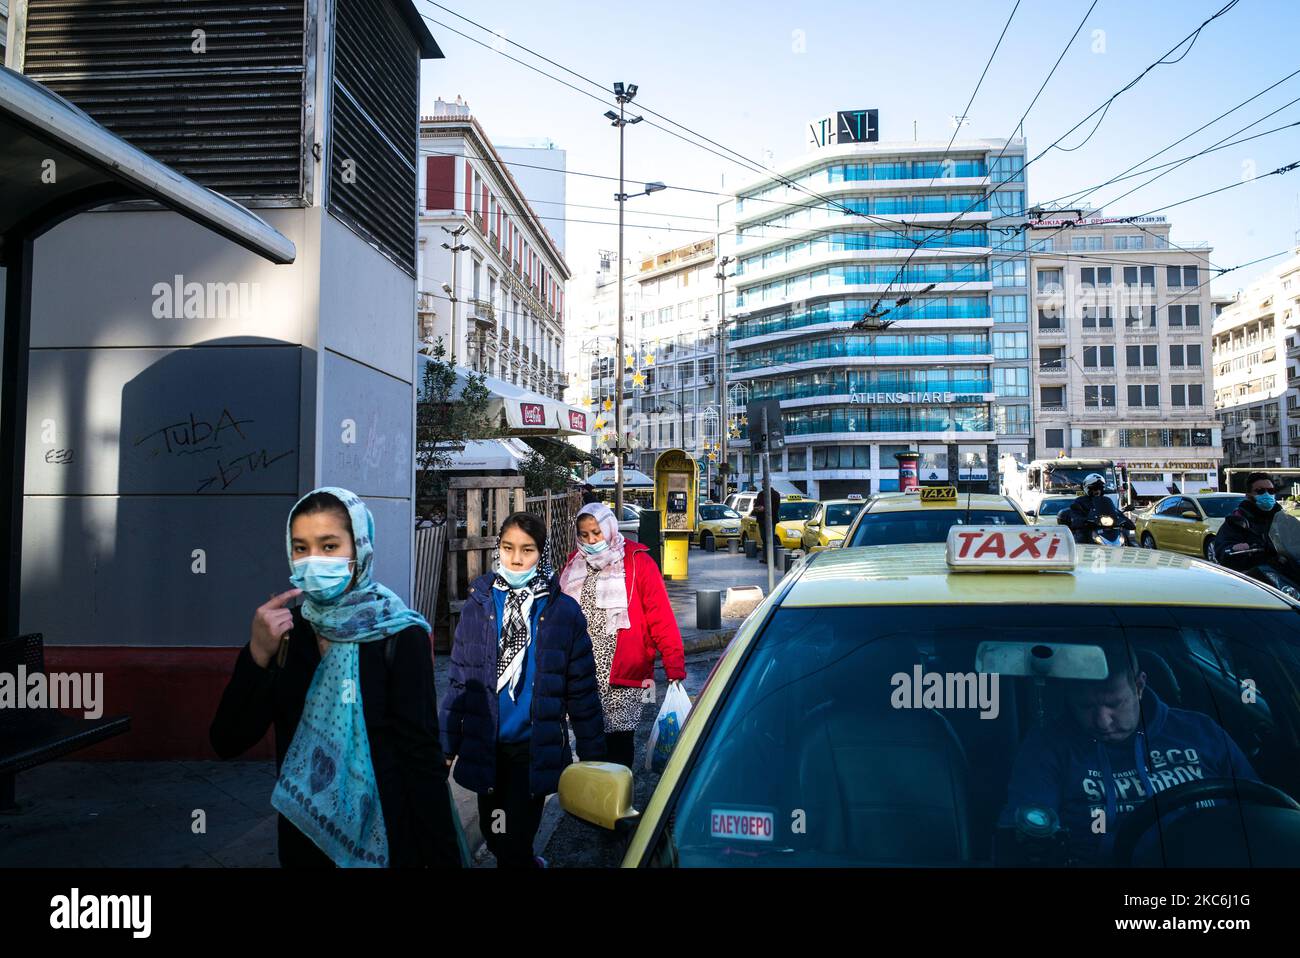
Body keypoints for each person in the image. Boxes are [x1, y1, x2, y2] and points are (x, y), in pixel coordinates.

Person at [210, 487, 463, 868]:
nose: (313, 560)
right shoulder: (286, 635)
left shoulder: (398, 634)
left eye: (329, 547)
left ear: (359, 549)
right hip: (305, 841)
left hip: (390, 840)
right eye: (301, 548)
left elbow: (420, 759)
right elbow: (228, 740)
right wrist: (257, 654)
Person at [441, 512, 605, 867]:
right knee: (496, 830)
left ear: (541, 554)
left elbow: (581, 690)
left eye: (527, 550)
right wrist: (446, 745)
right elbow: (459, 680)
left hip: (531, 748)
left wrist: (592, 754)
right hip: (487, 745)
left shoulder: (563, 612)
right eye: (508, 548)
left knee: (515, 837)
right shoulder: (480, 606)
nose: (516, 558)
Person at [1000, 644, 1258, 865]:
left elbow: (1259, 809)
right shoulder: (1048, 747)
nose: (1102, 721)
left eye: (1114, 704)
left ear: (1139, 686)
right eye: (1086, 706)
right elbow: (1027, 833)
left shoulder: (1201, 732)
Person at [558, 503, 687, 769]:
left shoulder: (637, 561)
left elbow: (659, 615)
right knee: (588, 746)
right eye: (584, 535)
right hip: (581, 674)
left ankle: (616, 805)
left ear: (609, 528)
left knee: (618, 748)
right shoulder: (573, 564)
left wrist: (674, 665)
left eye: (596, 532)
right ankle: (592, 805)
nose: (591, 540)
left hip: (622, 674)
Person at [1215, 472, 1286, 574]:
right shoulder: (1236, 522)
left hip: (1285, 571)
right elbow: (1222, 550)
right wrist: (1233, 548)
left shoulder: (1283, 519)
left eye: (1271, 491)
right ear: (1248, 495)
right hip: (1254, 576)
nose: (1267, 494)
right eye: (1260, 491)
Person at [1063, 473, 1129, 544]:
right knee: (1081, 537)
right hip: (1088, 530)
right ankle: (1080, 554)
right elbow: (1075, 516)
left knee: (1125, 538)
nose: (1097, 491)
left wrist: (1124, 519)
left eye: (1100, 488)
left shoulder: (1106, 500)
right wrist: (1083, 520)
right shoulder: (1080, 501)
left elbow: (1114, 511)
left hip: (1106, 530)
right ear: (1087, 489)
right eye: (1094, 488)